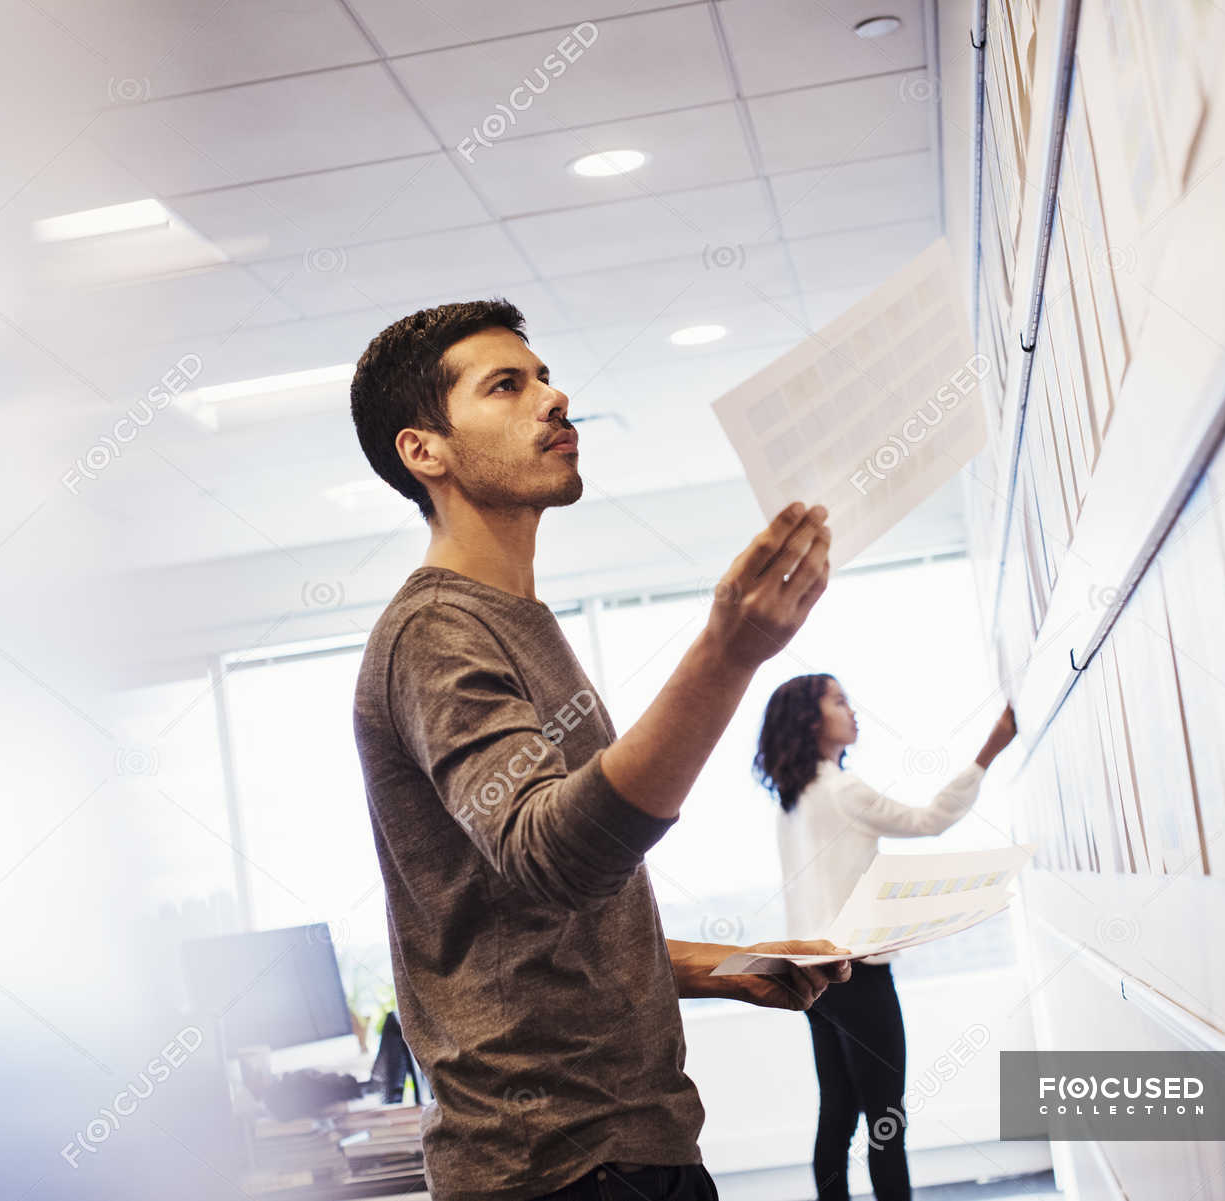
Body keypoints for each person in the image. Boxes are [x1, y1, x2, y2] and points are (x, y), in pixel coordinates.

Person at [348, 300, 854, 1201]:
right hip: (557, 1166)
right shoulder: (435, 634)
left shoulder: (512, 621)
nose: (553, 396)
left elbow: (545, 926)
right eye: (507, 385)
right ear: (424, 450)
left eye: (544, 376)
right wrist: (728, 653)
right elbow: (556, 857)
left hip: (627, 1147)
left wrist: (733, 969)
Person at [754, 674, 1017, 1201]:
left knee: (838, 1115)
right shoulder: (842, 790)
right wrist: (992, 746)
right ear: (811, 720)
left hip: (813, 978)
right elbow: (929, 820)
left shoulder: (794, 798)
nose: (854, 712)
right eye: (839, 701)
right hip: (857, 976)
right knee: (886, 1121)